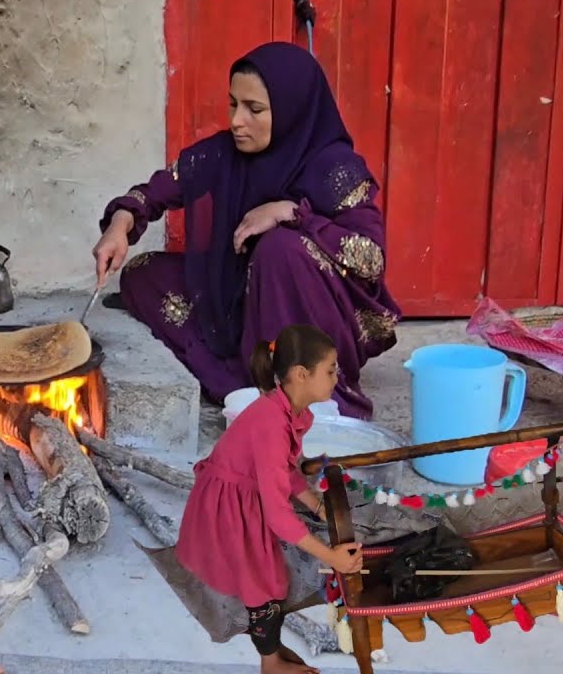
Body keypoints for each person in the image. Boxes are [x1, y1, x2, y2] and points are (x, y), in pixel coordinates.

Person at [91, 41, 401, 419]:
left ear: (291, 112)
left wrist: (292, 213)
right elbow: (158, 190)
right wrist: (121, 224)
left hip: (310, 316)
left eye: (254, 109)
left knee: (280, 249)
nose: (237, 120)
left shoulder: (334, 168)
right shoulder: (226, 152)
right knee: (142, 274)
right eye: (233, 104)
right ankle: (247, 368)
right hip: (241, 295)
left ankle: (293, 384)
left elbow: (370, 259)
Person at [174, 324, 363, 674]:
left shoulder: (294, 412)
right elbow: (277, 514)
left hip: (247, 491)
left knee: (271, 577)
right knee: (264, 583)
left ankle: (271, 653)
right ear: (301, 375)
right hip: (228, 503)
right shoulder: (271, 423)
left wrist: (312, 502)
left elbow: (284, 469)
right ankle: (270, 663)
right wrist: (331, 556)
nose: (337, 377)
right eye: (331, 370)